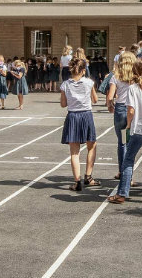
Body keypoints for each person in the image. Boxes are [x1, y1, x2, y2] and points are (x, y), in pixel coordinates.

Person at [107, 59, 142, 205]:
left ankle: (121, 194)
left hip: (140, 128)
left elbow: (131, 110)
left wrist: (128, 125)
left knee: (128, 160)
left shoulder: (132, 88)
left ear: (134, 71)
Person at [59, 56, 100, 192]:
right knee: (92, 146)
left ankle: (77, 182)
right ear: (83, 70)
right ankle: (88, 176)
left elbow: (63, 104)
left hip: (73, 116)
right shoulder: (89, 83)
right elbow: (95, 100)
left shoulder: (65, 84)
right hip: (86, 115)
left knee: (74, 152)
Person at [103, 52, 134, 179]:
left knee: (122, 143)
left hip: (120, 110)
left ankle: (122, 172)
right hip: (133, 110)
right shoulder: (136, 77)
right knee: (132, 143)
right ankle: (129, 174)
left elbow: (110, 97)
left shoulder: (115, 76)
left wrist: (110, 105)